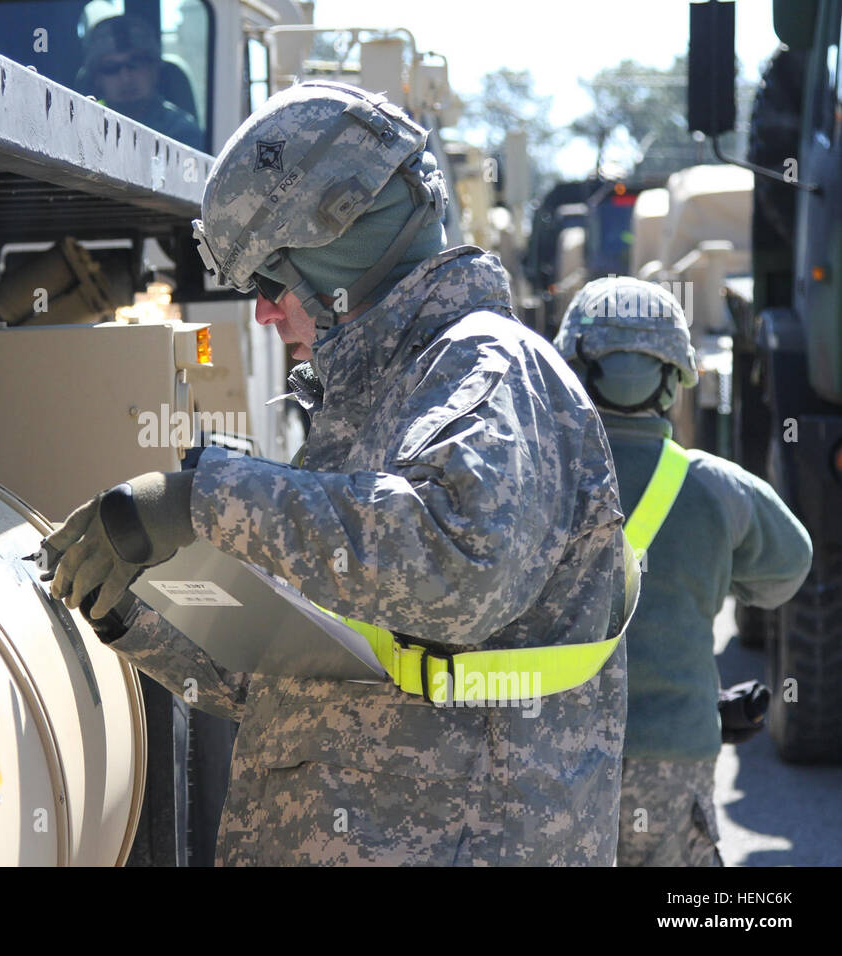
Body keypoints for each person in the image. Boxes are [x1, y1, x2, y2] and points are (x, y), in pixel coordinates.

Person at [46, 81, 631, 865]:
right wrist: (125, 613)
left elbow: (454, 567)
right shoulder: (379, 394)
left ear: (345, 240)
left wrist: (202, 499)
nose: (261, 313)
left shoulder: (488, 368)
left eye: (270, 279)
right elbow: (296, 671)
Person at [553, 276, 813, 867]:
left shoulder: (531, 479)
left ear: (572, 369)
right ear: (675, 380)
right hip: (670, 756)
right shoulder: (719, 488)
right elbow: (788, 570)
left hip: (544, 756)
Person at [76, 15, 202, 148]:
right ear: (97, 78)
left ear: (154, 69)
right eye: (111, 68)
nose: (125, 78)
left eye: (135, 63)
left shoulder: (182, 132)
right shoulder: (85, 128)